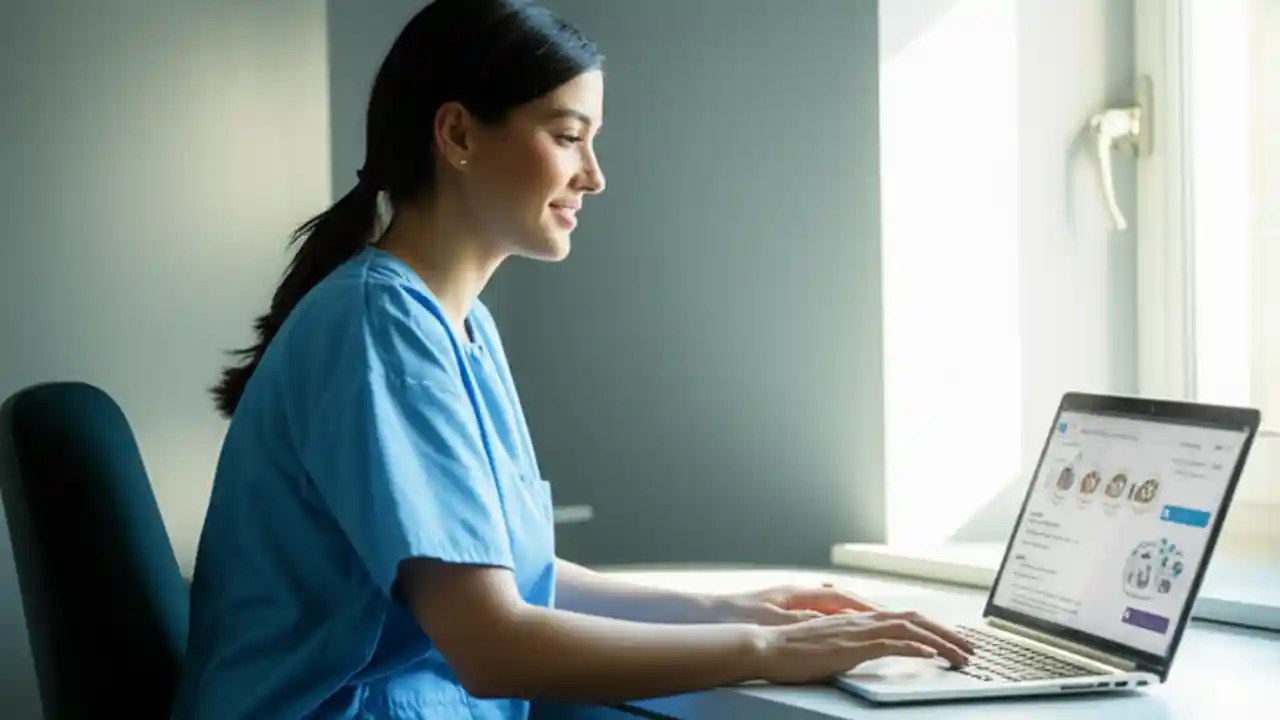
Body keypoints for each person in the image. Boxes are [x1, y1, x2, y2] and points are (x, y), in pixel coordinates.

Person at [171, 1, 972, 717]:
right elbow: (494, 646)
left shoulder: (456, 325)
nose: (593, 175)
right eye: (567, 137)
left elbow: (513, 576)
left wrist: (739, 610)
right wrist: (772, 653)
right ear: (455, 134)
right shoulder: (380, 325)